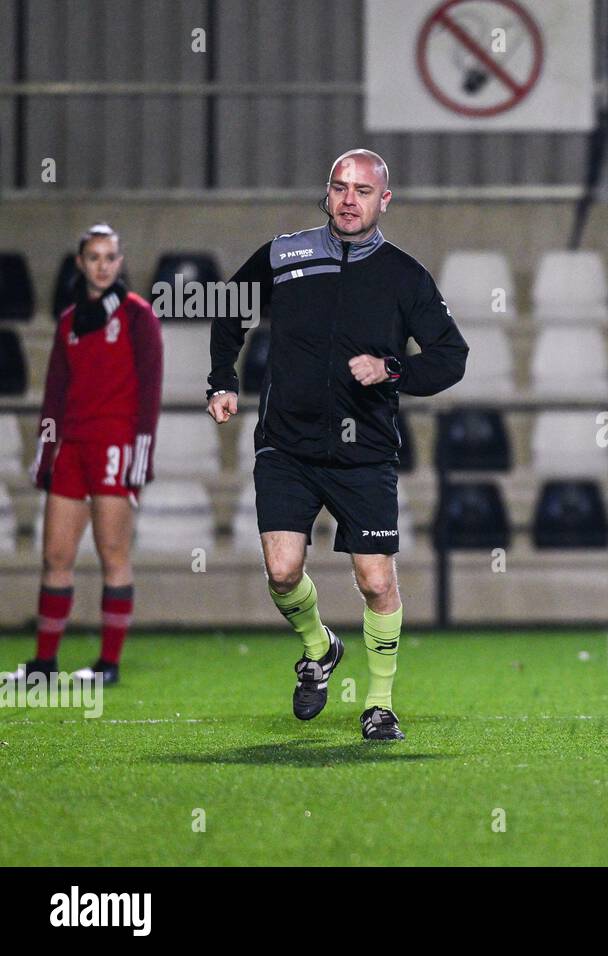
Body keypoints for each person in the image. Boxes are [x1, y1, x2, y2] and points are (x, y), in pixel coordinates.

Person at [206, 149, 468, 742]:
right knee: (281, 571)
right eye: (340, 187)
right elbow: (227, 309)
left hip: (365, 453)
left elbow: (452, 358)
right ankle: (319, 647)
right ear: (327, 193)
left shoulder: (405, 276)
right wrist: (224, 377)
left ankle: (378, 703)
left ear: (385, 200)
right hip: (286, 446)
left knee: (376, 582)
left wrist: (392, 369)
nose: (350, 199)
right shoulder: (284, 255)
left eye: (364, 191)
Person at [3, 223, 162, 687]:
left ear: (120, 261)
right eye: (94, 257)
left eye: (111, 257)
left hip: (114, 447)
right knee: (55, 555)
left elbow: (150, 393)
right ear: (80, 263)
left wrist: (141, 455)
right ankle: (44, 665)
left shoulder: (138, 317)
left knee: (113, 553)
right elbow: (55, 395)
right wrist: (46, 451)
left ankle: (108, 664)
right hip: (71, 448)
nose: (103, 265)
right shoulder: (69, 321)